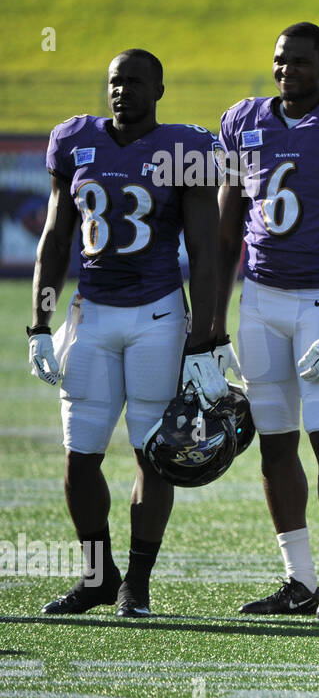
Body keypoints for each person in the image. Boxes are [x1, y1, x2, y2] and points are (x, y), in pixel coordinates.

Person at [30, 49, 228, 618]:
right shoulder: (74, 140)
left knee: (156, 456)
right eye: (116, 82)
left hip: (157, 316)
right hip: (90, 313)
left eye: (136, 82)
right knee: (79, 458)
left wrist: (207, 337)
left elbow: (207, 255)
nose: (123, 91)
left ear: (160, 89)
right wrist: (40, 323)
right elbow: (55, 238)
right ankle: (97, 577)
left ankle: (135, 584)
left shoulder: (184, 148)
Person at [214, 23, 319, 620]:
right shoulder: (243, 121)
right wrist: (211, 327)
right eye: (281, 60)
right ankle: (299, 580)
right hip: (261, 300)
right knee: (274, 443)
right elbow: (224, 234)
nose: (288, 70)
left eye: (302, 61)